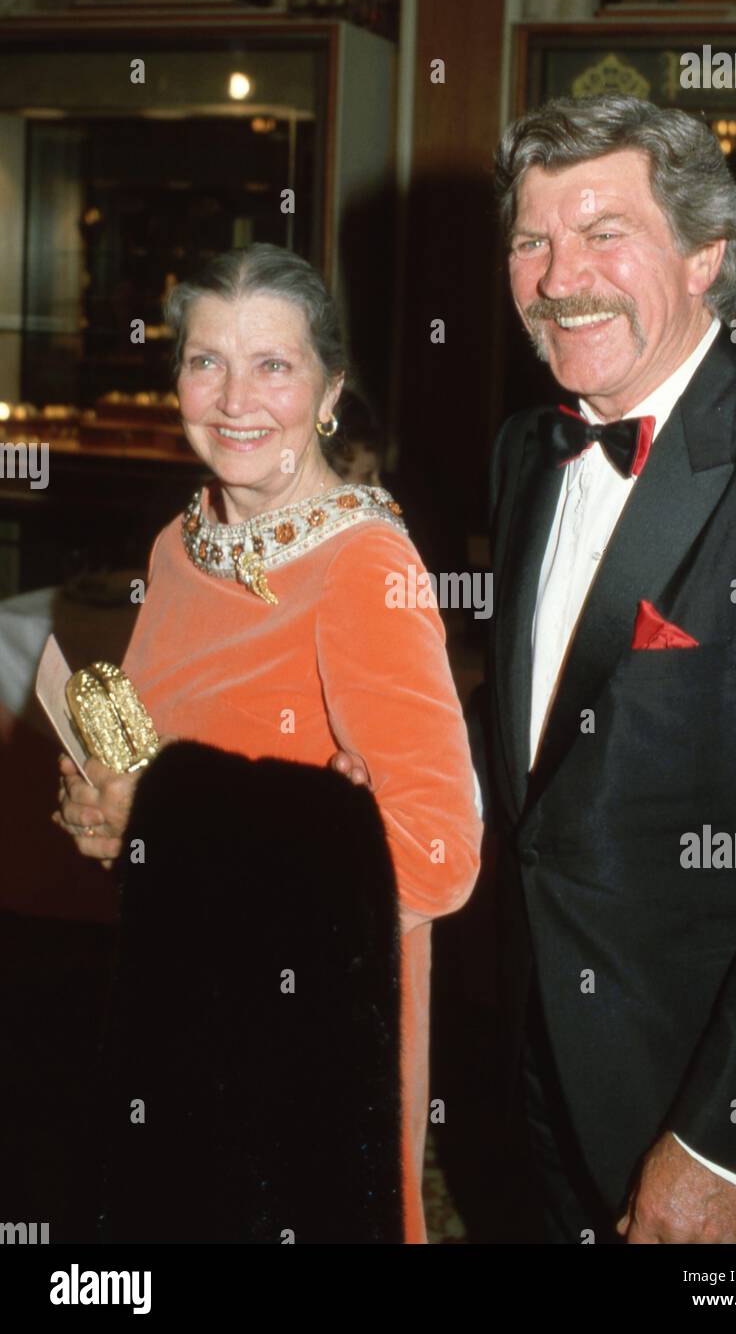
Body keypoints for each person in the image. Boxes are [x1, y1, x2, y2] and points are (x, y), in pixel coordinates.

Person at [481, 94, 736, 1244]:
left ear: (707, 258)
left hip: (712, 1110)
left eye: (605, 233)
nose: (560, 277)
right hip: (535, 1067)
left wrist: (721, 1145)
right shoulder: (525, 449)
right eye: (530, 240)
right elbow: (544, 760)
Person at [53, 242, 483, 1244]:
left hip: (309, 1056)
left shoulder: (366, 568)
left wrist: (177, 823)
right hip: (172, 1008)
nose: (235, 398)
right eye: (206, 362)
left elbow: (439, 855)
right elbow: (178, 782)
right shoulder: (179, 542)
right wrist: (107, 814)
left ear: (329, 391)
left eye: (273, 366)